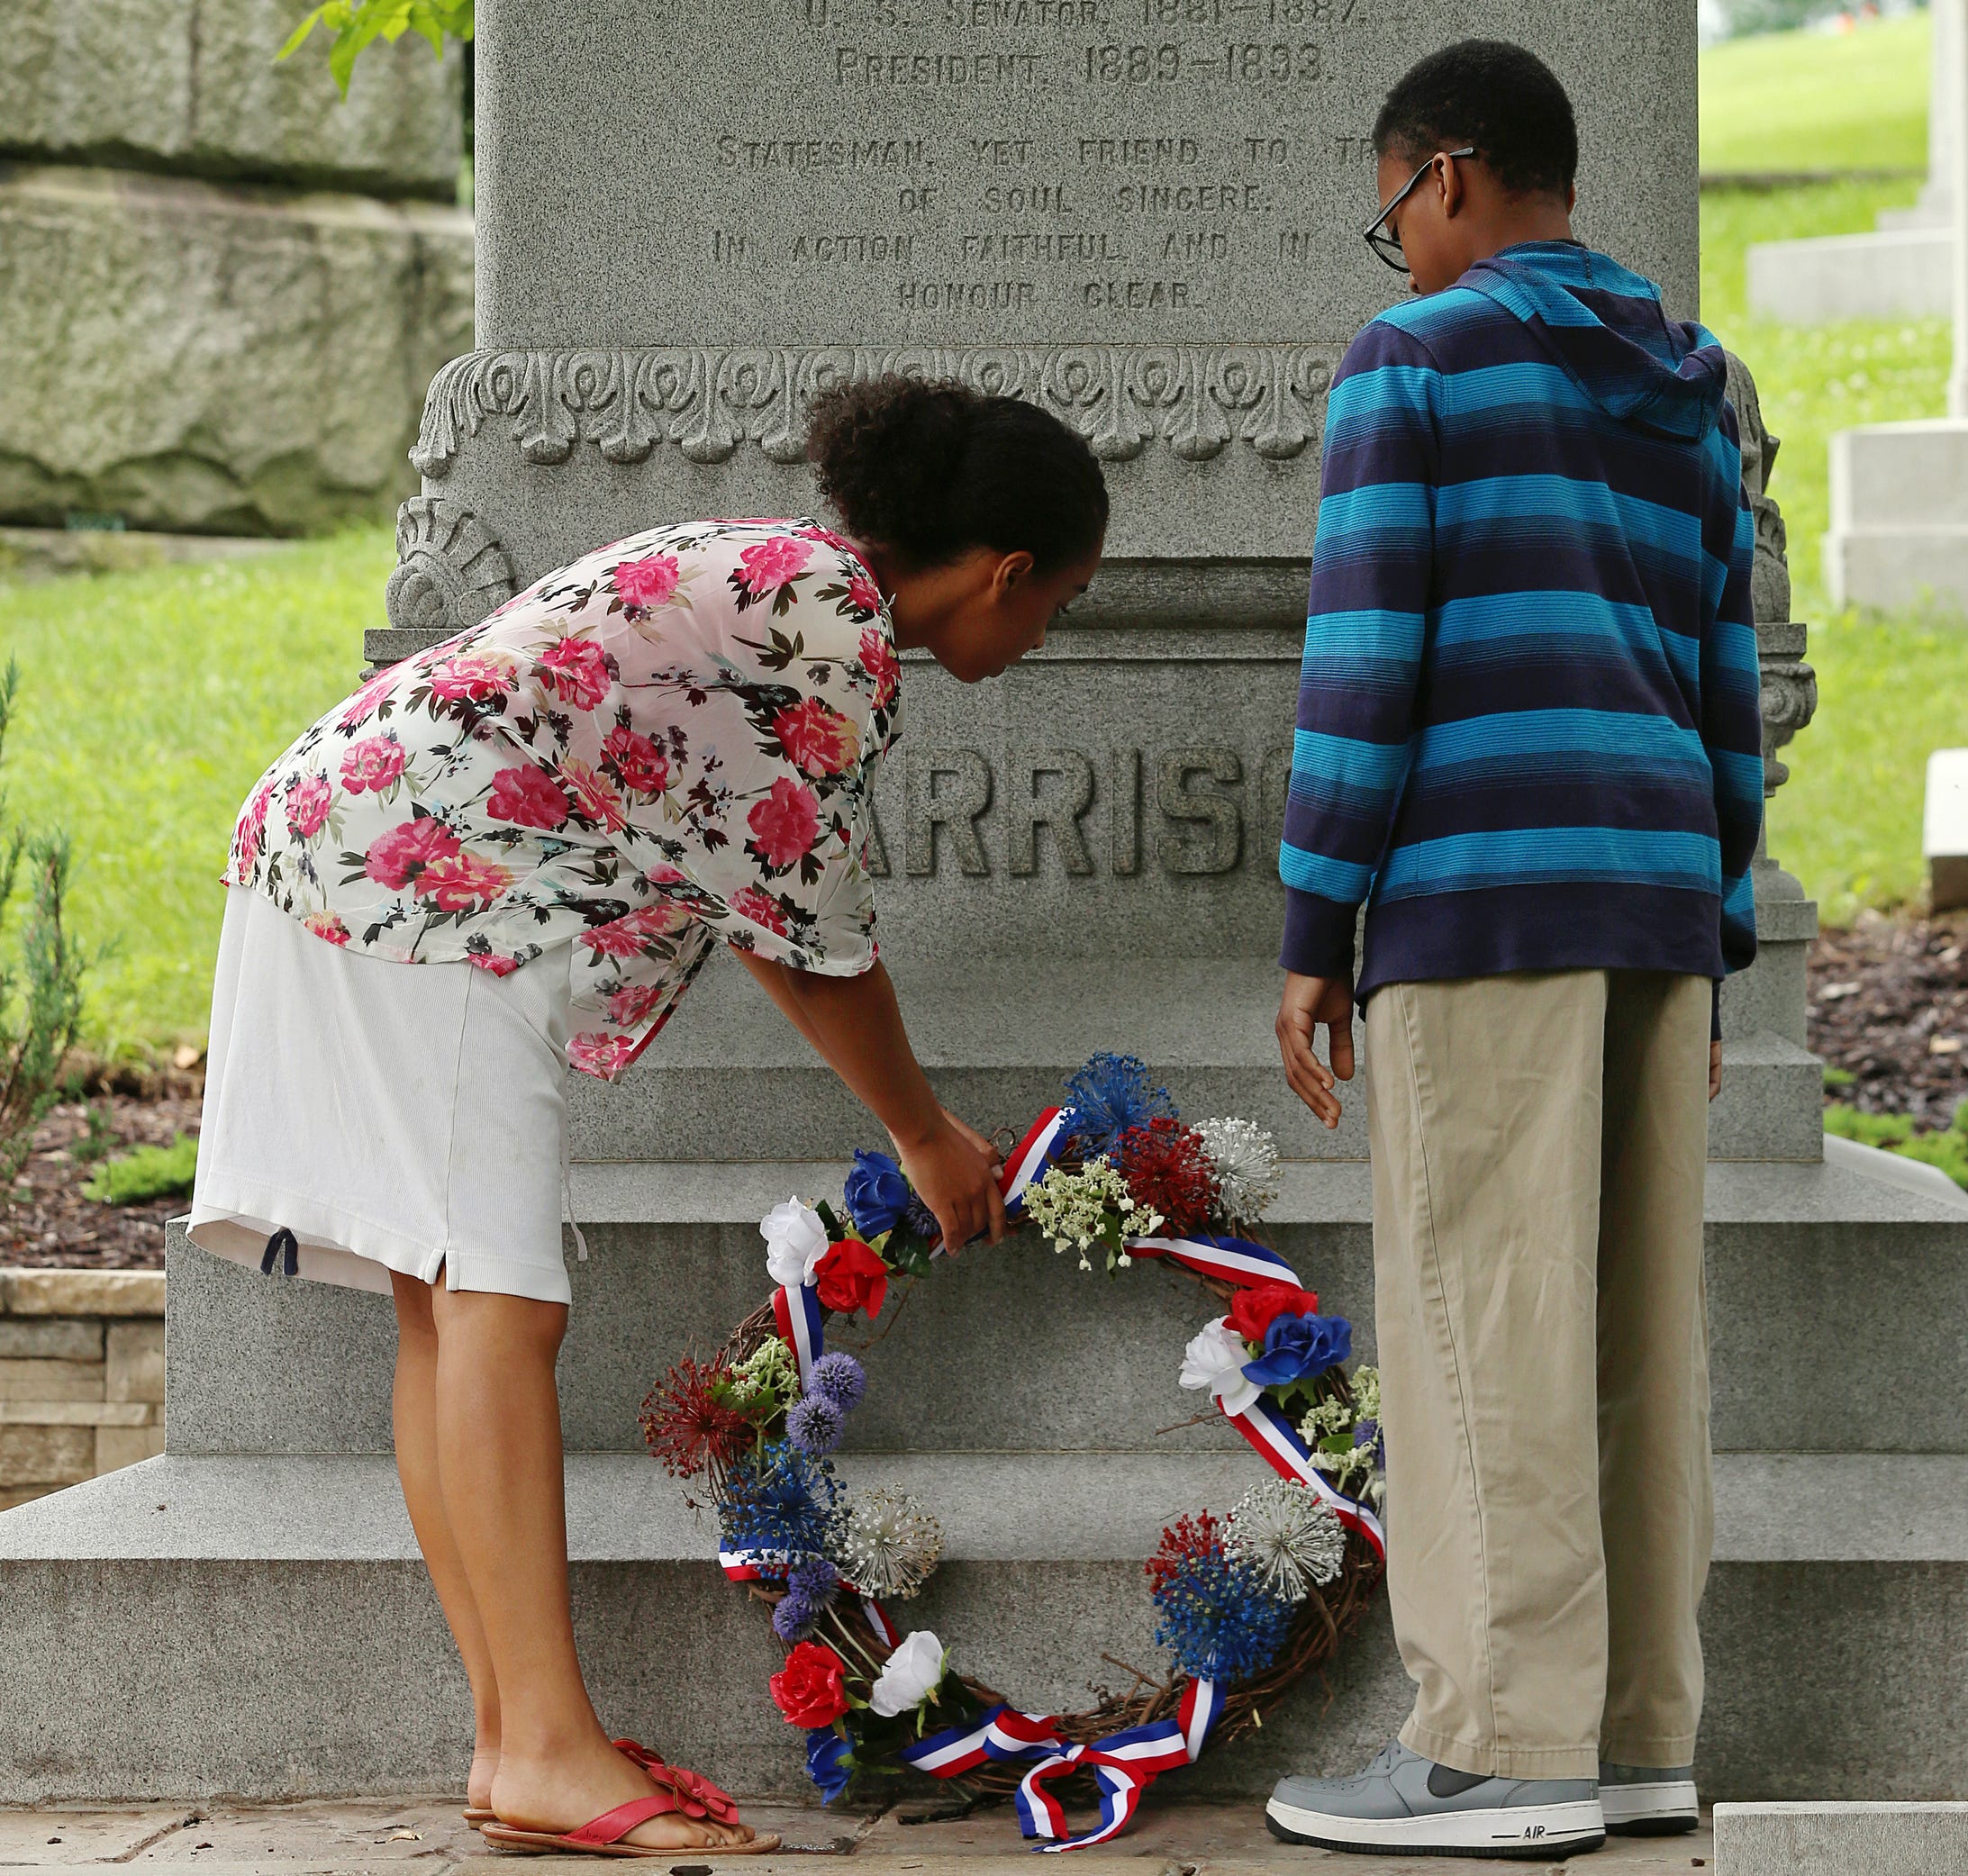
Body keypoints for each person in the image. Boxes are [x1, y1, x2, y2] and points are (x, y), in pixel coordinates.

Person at [188, 378, 1107, 1858]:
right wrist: (930, 1136)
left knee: (451, 1304)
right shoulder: (835, 634)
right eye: (1054, 605)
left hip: (348, 847)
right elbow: (810, 930)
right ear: (1003, 572)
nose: (1041, 637)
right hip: (435, 888)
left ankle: (513, 1741)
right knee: (498, 1306)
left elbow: (763, 903)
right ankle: (545, 1740)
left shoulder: (777, 574)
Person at [1265, 40, 1763, 1859]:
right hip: (1651, 899)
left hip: (1483, 896)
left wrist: (1320, 923)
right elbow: (1728, 684)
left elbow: (1366, 661)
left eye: (1392, 203)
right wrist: (1719, 927)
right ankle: (1635, 1732)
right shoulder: (1689, 382)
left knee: (1483, 1317)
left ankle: (1495, 1742)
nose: (1392, 244)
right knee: (1629, 1333)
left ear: (1451, 176)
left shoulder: (1422, 355)